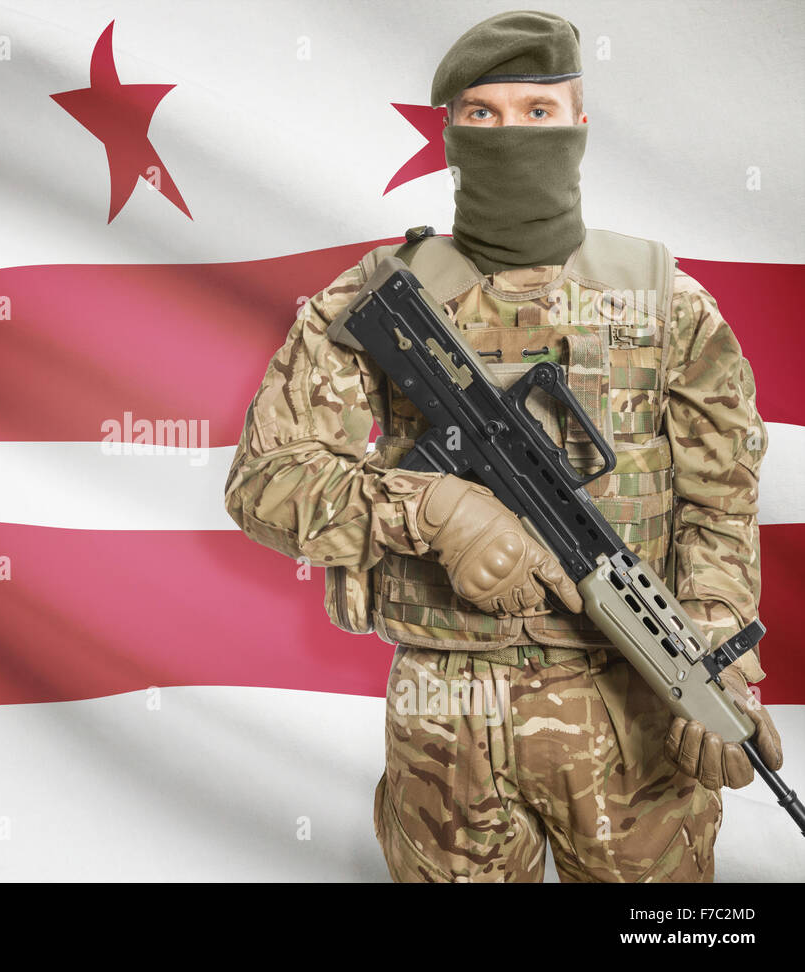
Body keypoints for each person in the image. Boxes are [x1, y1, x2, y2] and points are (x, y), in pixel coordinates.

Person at [223, 9, 783, 882]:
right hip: (445, 718)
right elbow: (266, 480)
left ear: (580, 124)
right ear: (450, 132)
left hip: (631, 720)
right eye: (482, 114)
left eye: (537, 112)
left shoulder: (669, 304)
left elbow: (722, 506)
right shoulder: (382, 295)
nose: (509, 134)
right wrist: (435, 509)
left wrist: (710, 660)